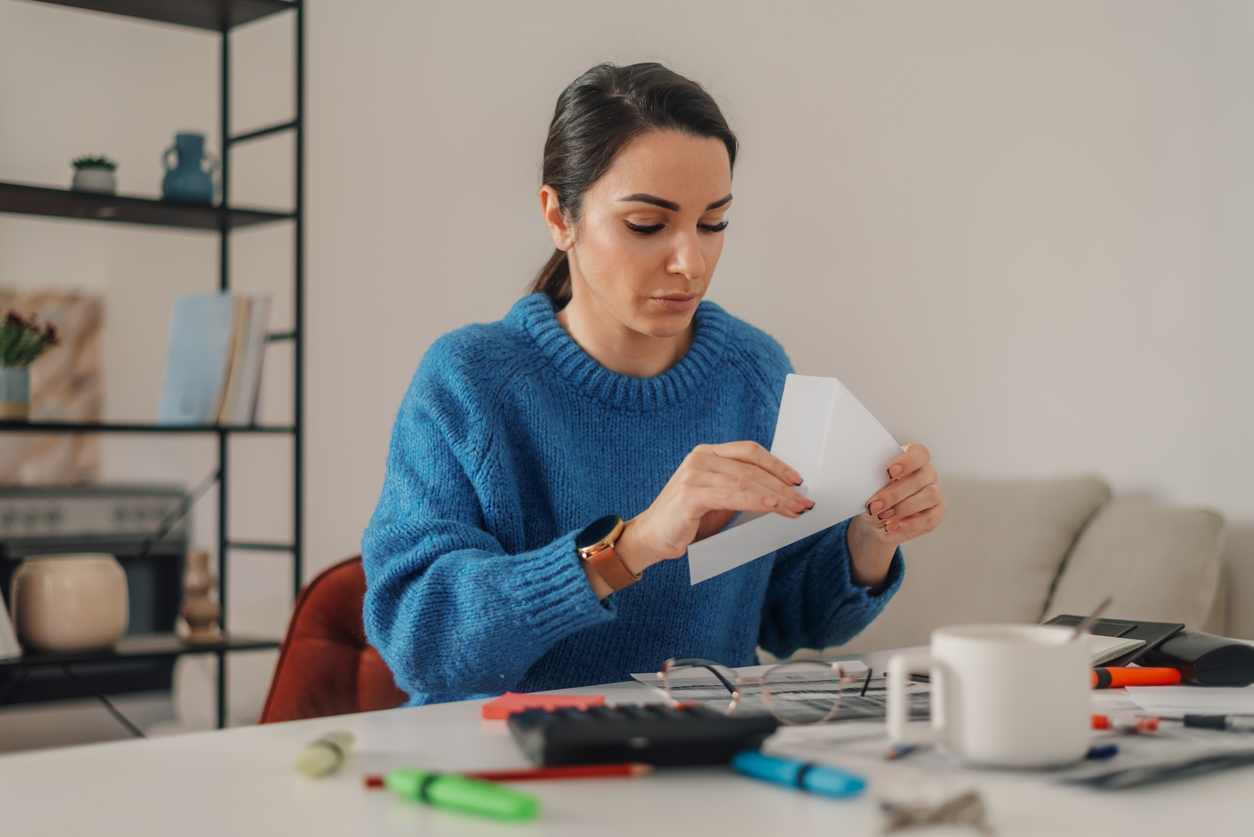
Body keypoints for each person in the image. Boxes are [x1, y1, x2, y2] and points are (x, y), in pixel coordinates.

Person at [362, 62, 946, 706]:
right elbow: (422, 646)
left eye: (713, 222)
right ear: (560, 217)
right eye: (646, 225)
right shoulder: (470, 381)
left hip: (706, 763)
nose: (690, 262)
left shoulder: (754, 370)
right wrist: (632, 545)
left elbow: (789, 620)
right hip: (516, 771)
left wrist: (871, 535)